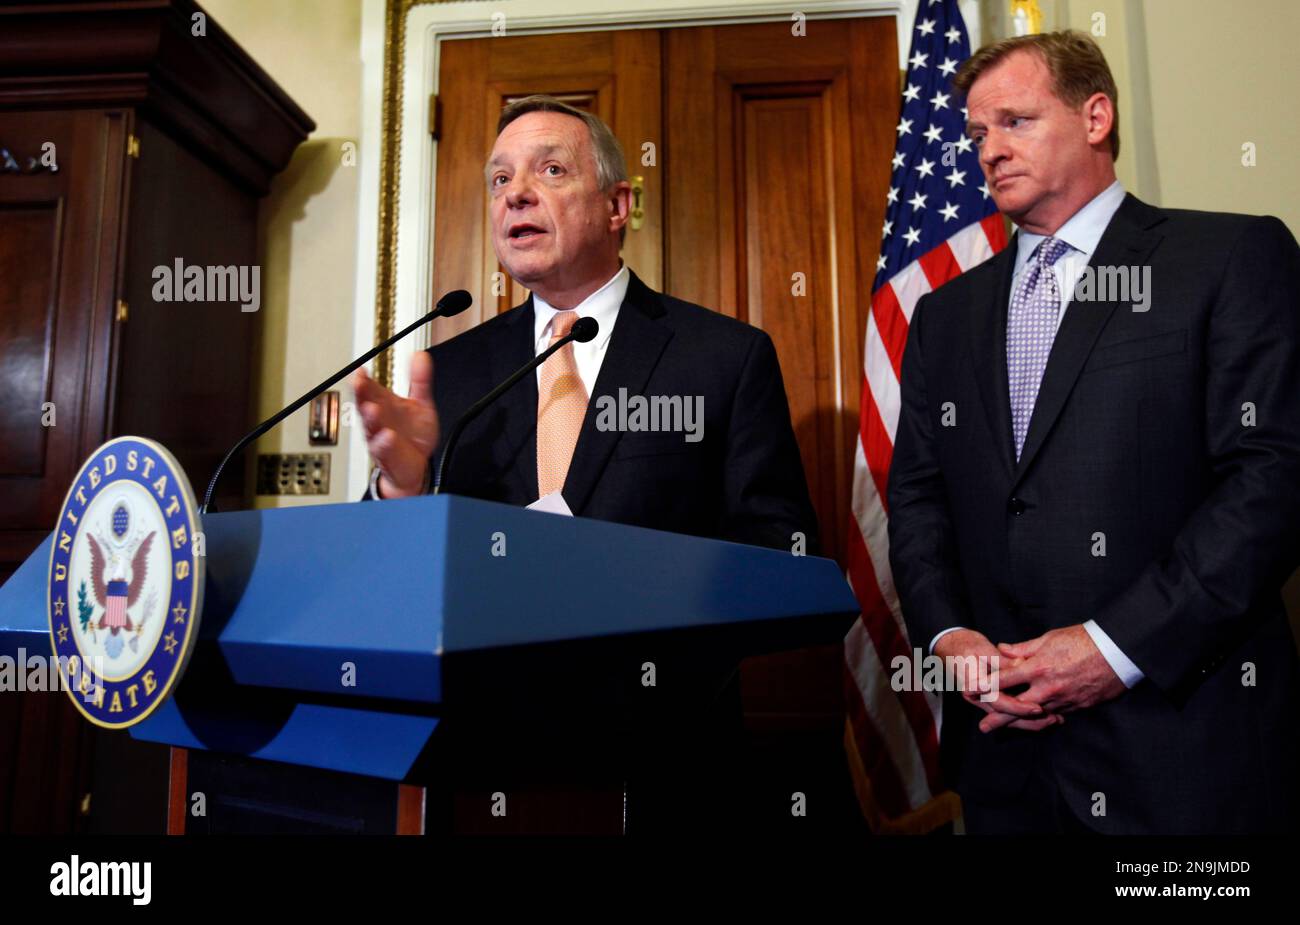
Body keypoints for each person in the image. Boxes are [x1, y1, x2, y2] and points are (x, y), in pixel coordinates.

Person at [888, 30, 1300, 834]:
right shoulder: (945, 314)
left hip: (1183, 751)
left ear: (1097, 115)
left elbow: (1275, 476)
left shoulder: (1226, 256)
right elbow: (918, 497)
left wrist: (1114, 648)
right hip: (1007, 753)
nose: (990, 150)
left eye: (1015, 121)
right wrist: (948, 633)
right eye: (977, 134)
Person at [352, 95, 818, 553]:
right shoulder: (448, 374)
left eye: (551, 170)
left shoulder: (725, 358)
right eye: (500, 178)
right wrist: (399, 488)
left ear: (616, 207)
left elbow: (778, 549)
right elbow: (387, 570)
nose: (514, 194)